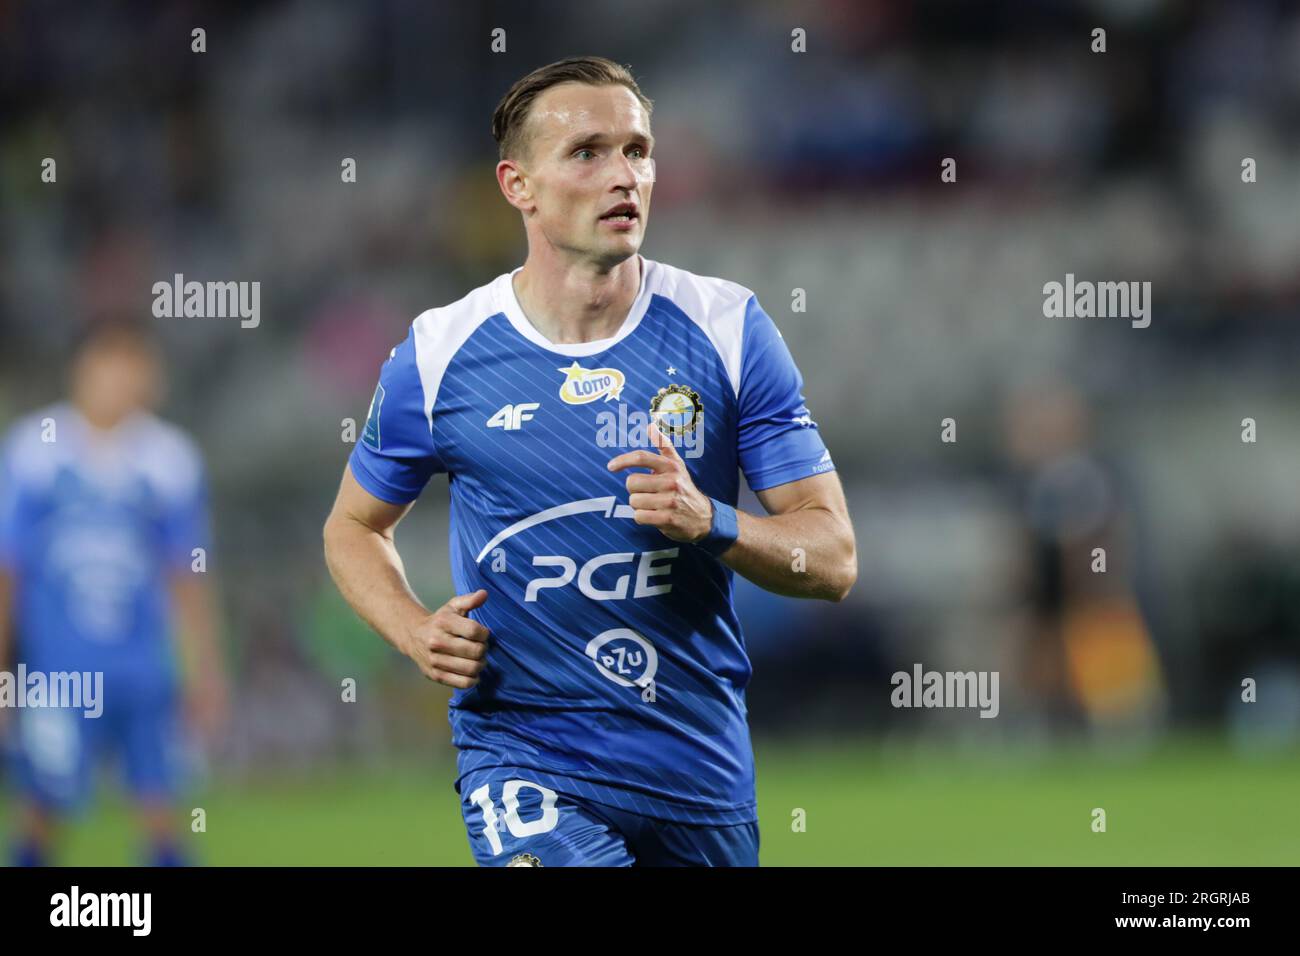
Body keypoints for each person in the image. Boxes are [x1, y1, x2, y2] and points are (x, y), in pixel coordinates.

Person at [323, 56, 856, 867]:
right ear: (518, 185)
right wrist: (410, 629)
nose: (625, 176)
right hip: (523, 752)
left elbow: (832, 559)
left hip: (694, 764)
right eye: (587, 153)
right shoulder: (440, 355)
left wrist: (711, 521)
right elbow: (354, 528)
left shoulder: (728, 329)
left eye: (638, 151)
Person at [0, 321, 228, 866]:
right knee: (43, 802)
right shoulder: (34, 450)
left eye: (135, 365)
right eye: (111, 362)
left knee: (160, 804)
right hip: (58, 671)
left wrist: (205, 670)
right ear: (81, 369)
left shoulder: (170, 458)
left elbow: (188, 576)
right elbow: (9, 570)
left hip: (143, 668)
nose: (123, 378)